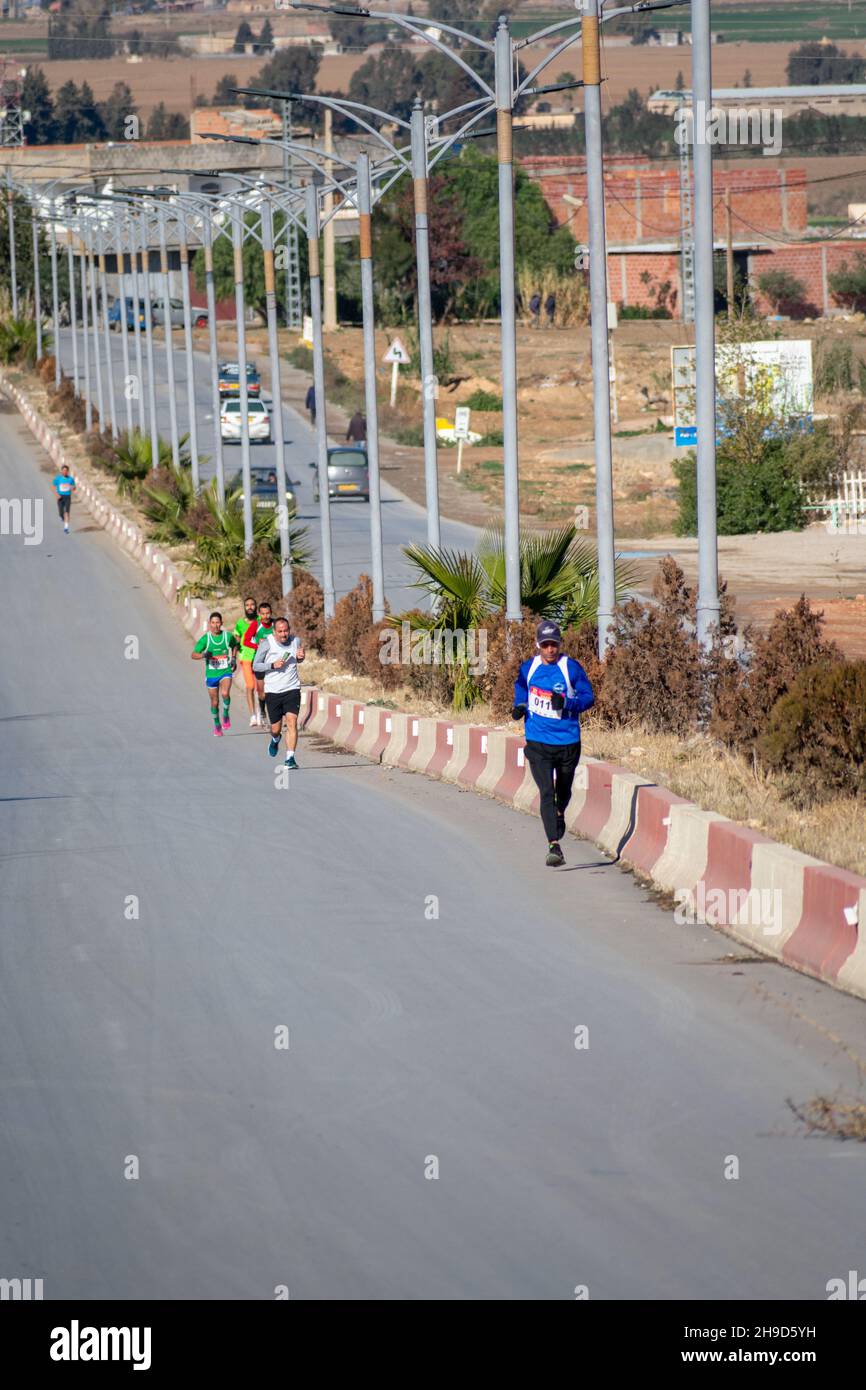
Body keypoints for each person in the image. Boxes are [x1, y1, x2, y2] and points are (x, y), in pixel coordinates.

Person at [512, 620, 594, 867]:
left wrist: (568, 704)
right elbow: (520, 688)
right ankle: (554, 846)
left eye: (554, 645)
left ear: (560, 644)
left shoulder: (571, 668)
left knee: (563, 792)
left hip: (568, 741)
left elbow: (589, 697)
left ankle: (560, 813)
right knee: (546, 791)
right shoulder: (529, 668)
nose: (550, 650)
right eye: (545, 645)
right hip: (538, 741)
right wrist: (520, 705)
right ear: (538, 645)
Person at [253, 615, 305, 768]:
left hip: (292, 688)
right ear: (274, 632)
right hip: (273, 691)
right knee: (275, 729)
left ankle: (290, 758)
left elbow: (299, 658)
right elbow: (256, 666)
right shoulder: (267, 644)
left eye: (286, 631)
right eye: (280, 631)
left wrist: (301, 657)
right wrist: (272, 665)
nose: (284, 634)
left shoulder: (296, 641)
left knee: (292, 722)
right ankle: (275, 739)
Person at [191, 612, 239, 737]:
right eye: (213, 623)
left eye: (218, 622)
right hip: (211, 674)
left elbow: (235, 645)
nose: (215, 625)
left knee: (225, 693)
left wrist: (233, 658)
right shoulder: (206, 639)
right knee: (215, 702)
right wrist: (203, 655)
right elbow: (193, 654)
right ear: (209, 624)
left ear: (221, 623)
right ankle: (217, 725)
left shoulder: (227, 636)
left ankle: (226, 714)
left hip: (225, 671)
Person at [242, 601, 275, 727]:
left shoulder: (275, 624)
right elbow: (245, 640)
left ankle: (274, 715)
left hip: (273, 662)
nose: (266, 616)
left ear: (271, 613)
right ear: (259, 614)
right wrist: (257, 643)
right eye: (263, 614)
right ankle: (262, 711)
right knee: (262, 692)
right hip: (260, 662)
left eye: (268, 614)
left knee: (273, 690)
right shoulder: (256, 624)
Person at [233, 596, 261, 727]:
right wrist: (234, 655)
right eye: (247, 605)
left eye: (252, 605)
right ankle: (253, 715)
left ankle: (262, 713)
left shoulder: (261, 621)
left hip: (261, 658)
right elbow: (237, 638)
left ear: (256, 607)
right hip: (246, 658)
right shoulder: (240, 623)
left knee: (262, 688)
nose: (250, 607)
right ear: (244, 608)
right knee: (250, 686)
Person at [52, 464, 76, 533]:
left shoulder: (70, 479)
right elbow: (53, 487)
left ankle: (66, 528)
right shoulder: (58, 479)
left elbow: (74, 488)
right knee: (61, 513)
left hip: (67, 497)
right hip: (60, 497)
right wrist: (57, 495)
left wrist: (73, 487)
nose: (65, 472)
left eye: (66, 470)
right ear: (61, 471)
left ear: (68, 471)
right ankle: (62, 517)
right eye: (63, 470)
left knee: (67, 513)